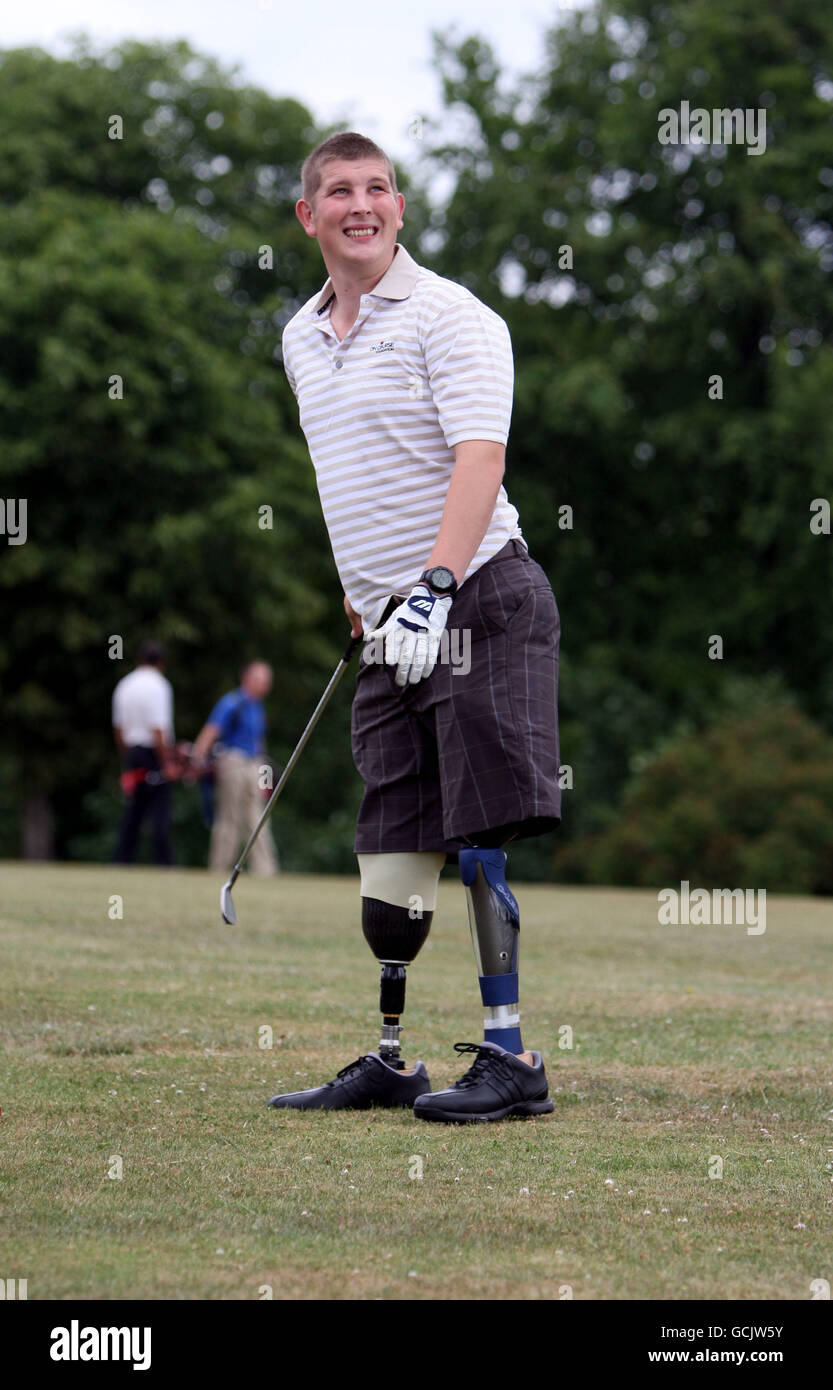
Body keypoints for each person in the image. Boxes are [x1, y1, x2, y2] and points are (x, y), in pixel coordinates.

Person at [269, 132, 561, 1123]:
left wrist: (433, 579)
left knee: (477, 835)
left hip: (476, 594)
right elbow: (351, 475)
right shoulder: (301, 338)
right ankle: (391, 1057)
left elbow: (478, 460)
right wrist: (365, 591)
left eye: (378, 188)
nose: (361, 203)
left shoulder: (454, 318)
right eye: (338, 190)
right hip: (388, 623)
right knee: (391, 857)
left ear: (399, 208)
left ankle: (509, 1057)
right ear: (307, 217)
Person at [191, 661, 279, 877]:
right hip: (232, 761)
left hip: (254, 764)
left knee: (256, 817)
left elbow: (259, 741)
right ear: (247, 679)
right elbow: (211, 731)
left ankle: (265, 870)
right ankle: (220, 867)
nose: (265, 685)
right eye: (261, 680)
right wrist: (197, 758)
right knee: (229, 817)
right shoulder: (231, 702)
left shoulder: (257, 706)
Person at [112, 640, 175, 865]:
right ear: (161, 663)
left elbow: (119, 728)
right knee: (160, 812)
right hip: (153, 753)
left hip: (132, 752)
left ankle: (122, 860)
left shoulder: (125, 685)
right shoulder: (159, 685)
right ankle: (164, 863)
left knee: (133, 812)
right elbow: (158, 729)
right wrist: (167, 761)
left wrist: (127, 757)